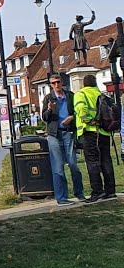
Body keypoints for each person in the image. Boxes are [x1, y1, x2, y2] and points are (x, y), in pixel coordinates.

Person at [42, 75, 86, 204]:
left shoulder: (70, 96)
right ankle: (61, 197)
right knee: (58, 167)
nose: (56, 85)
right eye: (53, 83)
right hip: (54, 135)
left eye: (58, 82)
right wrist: (49, 110)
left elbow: (78, 112)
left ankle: (79, 193)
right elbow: (44, 118)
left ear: (62, 82)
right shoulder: (48, 98)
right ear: (51, 85)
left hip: (68, 133)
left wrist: (72, 117)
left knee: (73, 164)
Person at [74, 74, 117, 202]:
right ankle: (110, 190)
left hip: (90, 132)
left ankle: (97, 191)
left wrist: (89, 120)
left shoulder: (81, 94)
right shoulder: (101, 94)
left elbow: (81, 109)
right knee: (106, 160)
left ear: (83, 84)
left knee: (92, 162)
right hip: (104, 132)